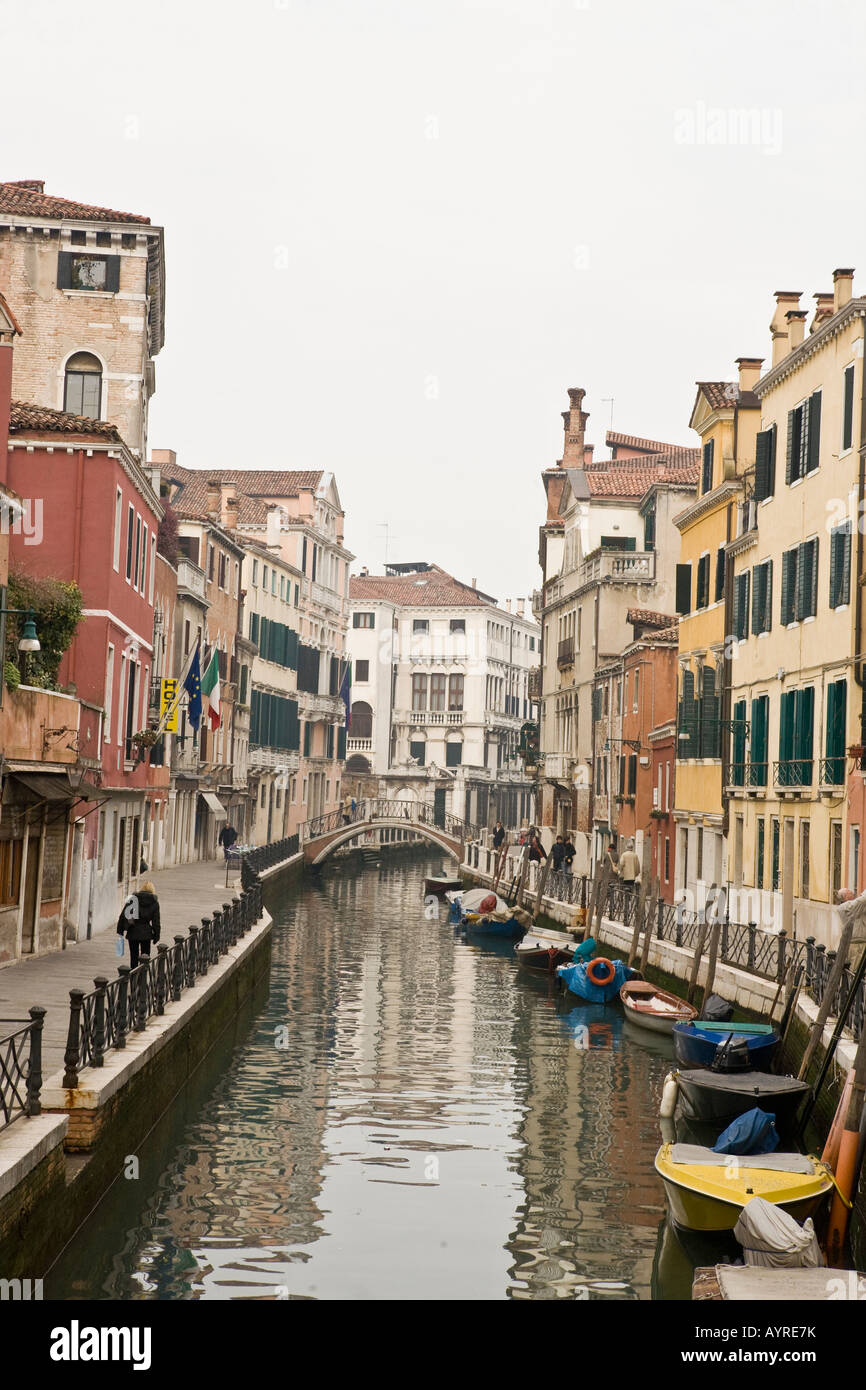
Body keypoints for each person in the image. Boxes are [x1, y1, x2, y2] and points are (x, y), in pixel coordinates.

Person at [117, 880, 161, 969]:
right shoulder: (154, 903)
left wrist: (120, 930)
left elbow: (123, 915)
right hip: (146, 933)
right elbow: (156, 922)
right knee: (145, 956)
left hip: (133, 931)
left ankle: (134, 977)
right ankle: (142, 977)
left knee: (134, 956)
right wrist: (156, 936)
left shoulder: (133, 899)